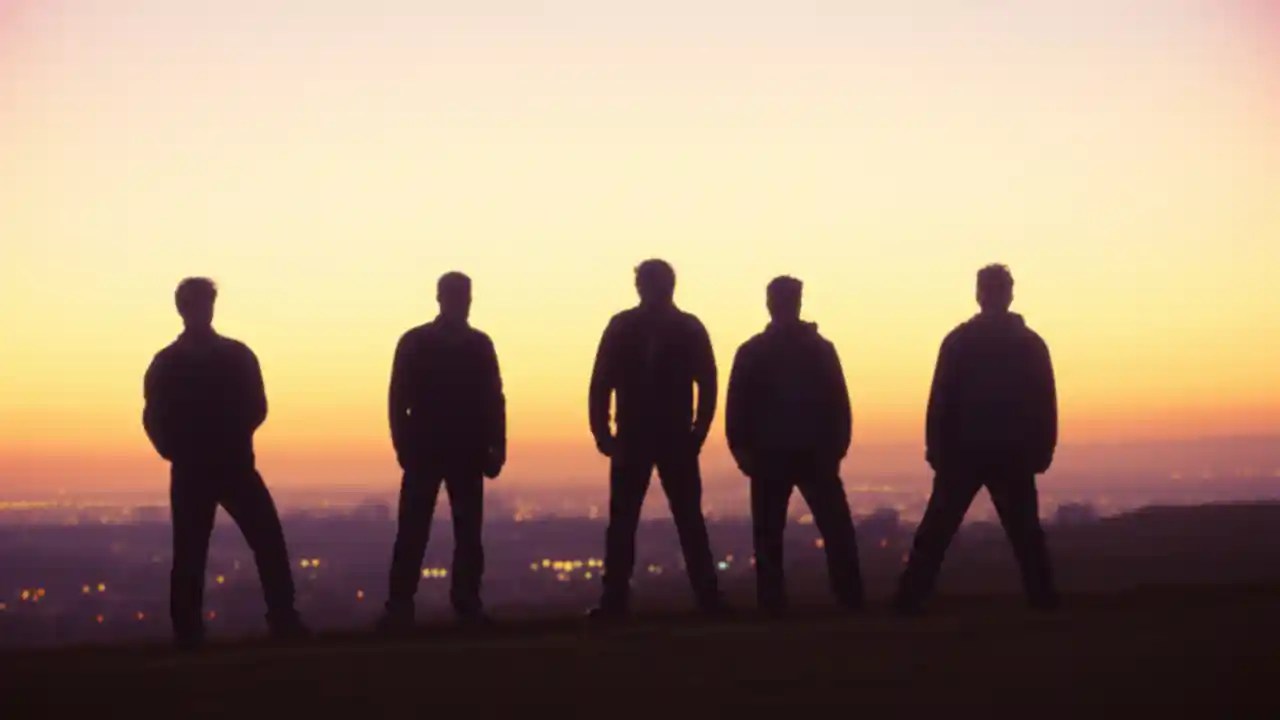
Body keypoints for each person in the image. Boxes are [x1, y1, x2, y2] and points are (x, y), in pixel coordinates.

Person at [143, 277, 308, 650]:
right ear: (185, 308)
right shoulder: (184, 361)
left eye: (205, 303)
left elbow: (257, 406)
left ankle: (277, 619)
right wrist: (181, 449)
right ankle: (194, 630)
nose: (202, 310)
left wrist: (189, 446)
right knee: (198, 551)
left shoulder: (214, 357)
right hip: (209, 466)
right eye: (197, 304)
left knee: (258, 543)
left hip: (223, 465)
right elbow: (155, 418)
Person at [893, 264, 1060, 614]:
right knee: (1025, 535)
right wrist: (1042, 449)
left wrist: (936, 448)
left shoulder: (960, 342)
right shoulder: (1028, 344)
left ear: (980, 294)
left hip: (965, 454)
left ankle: (909, 601)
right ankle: (1043, 601)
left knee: (937, 533)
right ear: (1008, 294)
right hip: (1007, 453)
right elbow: (1044, 402)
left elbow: (940, 400)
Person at [588, 259, 725, 618]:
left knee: (657, 520)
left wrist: (698, 430)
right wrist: (602, 433)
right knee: (650, 520)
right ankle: (701, 597)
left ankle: (619, 600)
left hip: (660, 436)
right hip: (649, 436)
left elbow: (707, 383)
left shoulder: (639, 327)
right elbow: (601, 382)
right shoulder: (673, 327)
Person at [726, 276, 864, 615]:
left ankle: (773, 603)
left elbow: (736, 408)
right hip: (808, 455)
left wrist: (743, 452)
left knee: (771, 535)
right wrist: (836, 447)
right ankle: (849, 598)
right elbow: (839, 403)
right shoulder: (818, 349)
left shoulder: (754, 351)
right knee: (834, 530)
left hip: (777, 456)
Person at [379, 272, 506, 631]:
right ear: (441, 298)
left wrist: (497, 445)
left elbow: (494, 398)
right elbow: (397, 398)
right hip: (430, 449)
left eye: (463, 296)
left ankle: (457, 603)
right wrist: (402, 445)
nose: (459, 302)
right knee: (416, 531)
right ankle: (404, 606)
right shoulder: (421, 342)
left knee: (464, 533)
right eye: (455, 296)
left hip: (461, 449)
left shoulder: (472, 344)